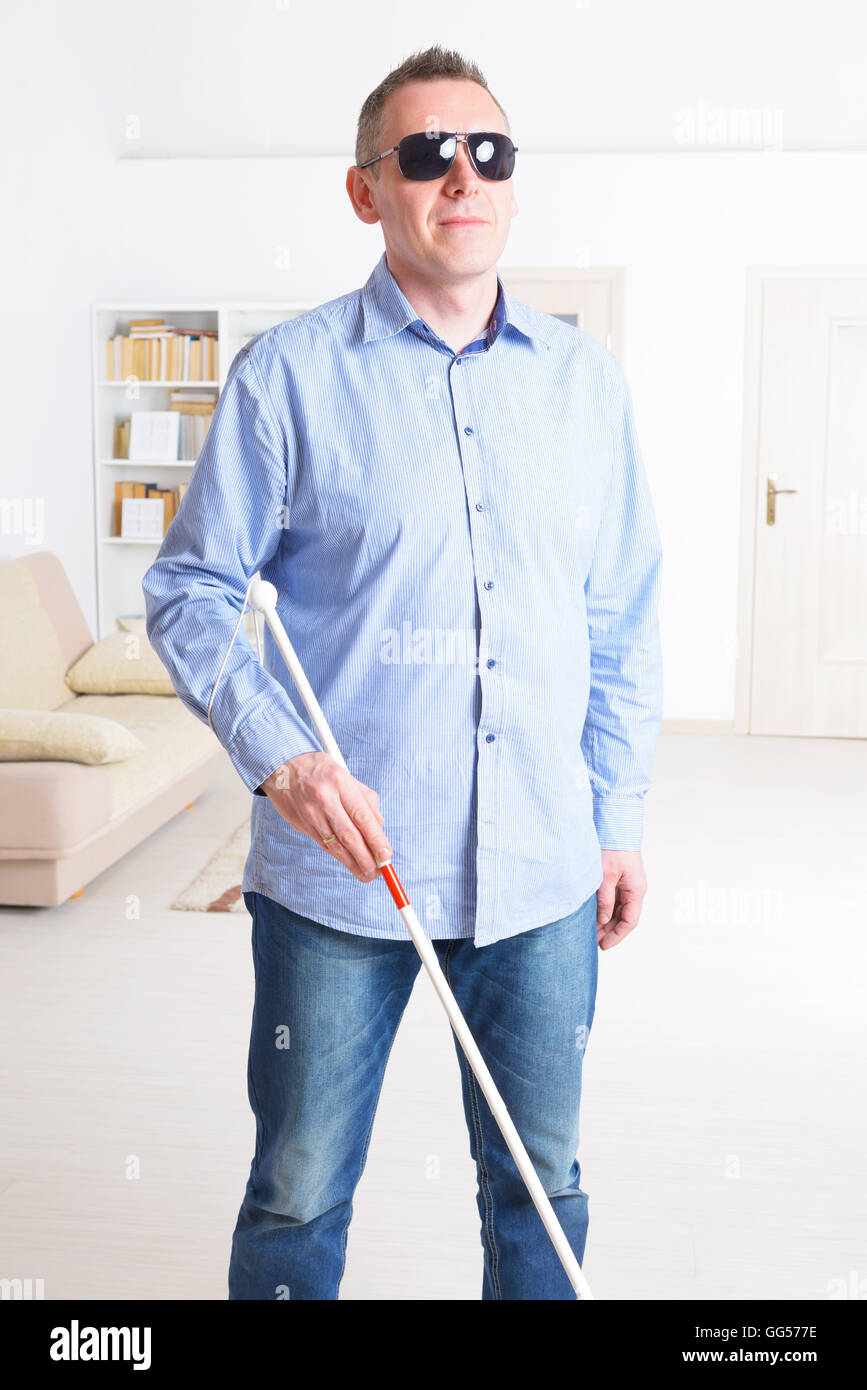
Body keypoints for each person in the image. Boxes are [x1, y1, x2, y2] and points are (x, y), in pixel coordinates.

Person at [143, 43, 663, 1301]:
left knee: (543, 1184)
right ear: (366, 191)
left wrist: (618, 816)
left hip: (542, 871)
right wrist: (282, 760)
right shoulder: (288, 379)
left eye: (488, 152)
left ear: (513, 184)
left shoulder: (587, 388)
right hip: (343, 886)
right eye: (426, 153)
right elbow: (192, 593)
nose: (462, 176)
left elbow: (622, 617)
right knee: (298, 1184)